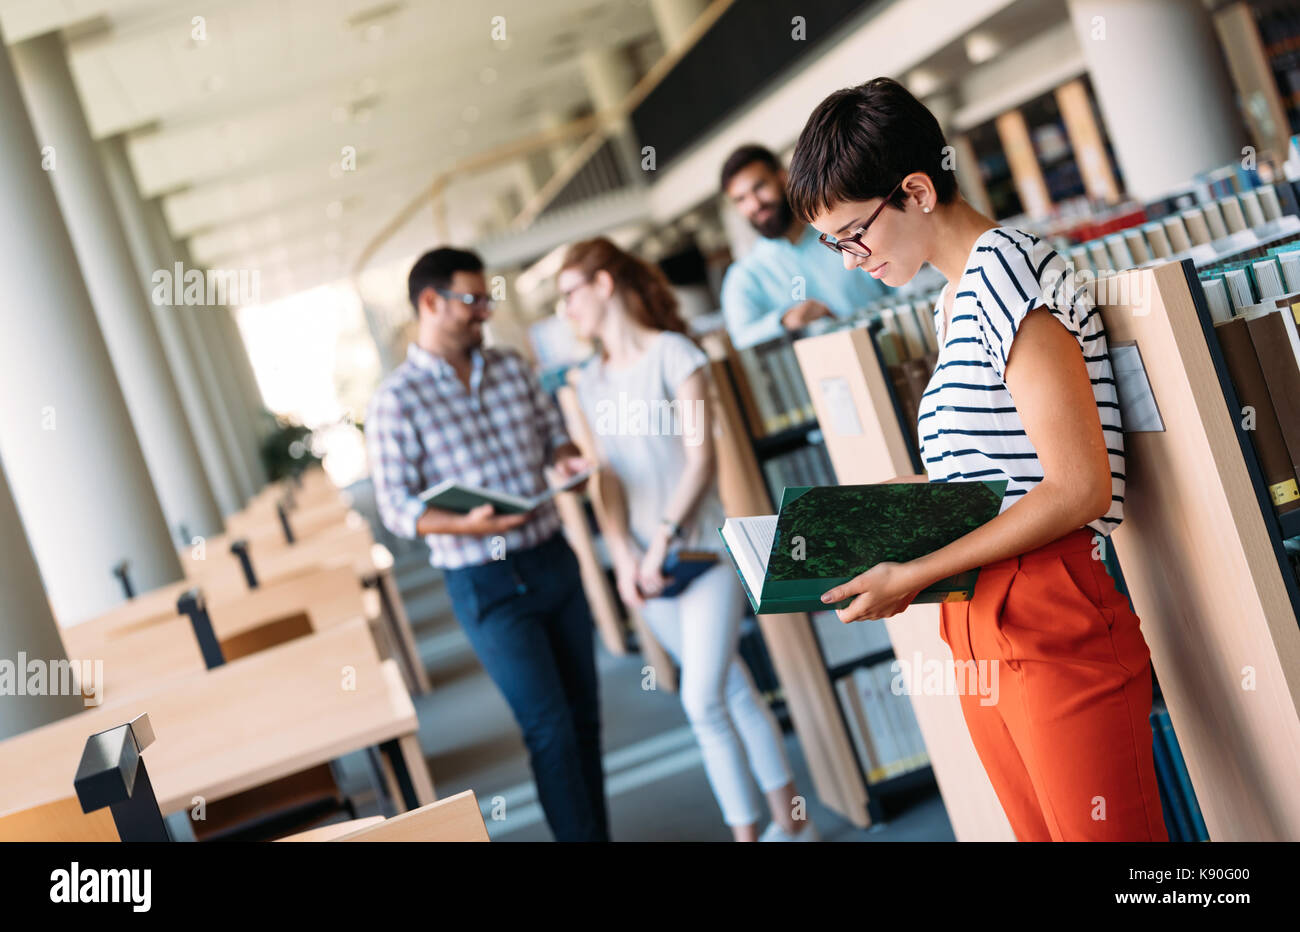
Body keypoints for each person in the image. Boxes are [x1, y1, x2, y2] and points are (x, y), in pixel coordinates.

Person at [786, 78, 1167, 842]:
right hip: (978, 616)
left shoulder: (1010, 274)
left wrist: (918, 572)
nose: (849, 261)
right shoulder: (955, 296)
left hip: (1049, 605)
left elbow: (1079, 485)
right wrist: (901, 506)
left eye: (852, 235)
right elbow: (1001, 474)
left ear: (917, 190)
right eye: (833, 245)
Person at [556, 237, 818, 842]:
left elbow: (702, 460)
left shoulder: (676, 355)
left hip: (699, 553)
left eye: (571, 293)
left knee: (701, 701)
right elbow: (609, 482)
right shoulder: (587, 381)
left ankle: (748, 835)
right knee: (731, 688)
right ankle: (794, 823)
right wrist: (623, 556)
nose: (566, 310)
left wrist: (661, 541)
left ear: (603, 284)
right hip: (646, 567)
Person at [366, 246, 610, 843]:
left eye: (485, 300)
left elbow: (554, 438)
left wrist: (566, 461)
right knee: (547, 726)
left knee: (583, 718)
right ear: (430, 302)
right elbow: (398, 508)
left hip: (551, 556)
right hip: (486, 582)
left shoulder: (511, 366)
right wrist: (462, 525)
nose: (484, 313)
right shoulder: (396, 400)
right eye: (472, 301)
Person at [719, 143, 887, 349]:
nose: (755, 204)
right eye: (741, 199)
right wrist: (784, 320)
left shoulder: (844, 232)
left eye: (760, 187)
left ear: (782, 178)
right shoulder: (744, 276)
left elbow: (903, 287)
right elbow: (741, 338)